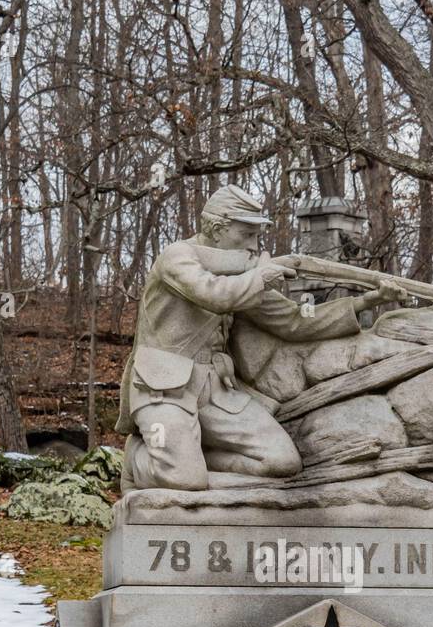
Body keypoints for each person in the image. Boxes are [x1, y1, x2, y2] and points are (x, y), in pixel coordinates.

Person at [117, 184, 405, 491]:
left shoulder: (245, 277)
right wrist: (261, 276)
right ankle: (144, 460)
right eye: (247, 234)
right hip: (164, 387)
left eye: (257, 236)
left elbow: (295, 320)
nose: (255, 246)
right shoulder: (177, 257)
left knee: (281, 462)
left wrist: (365, 301)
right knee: (183, 479)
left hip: (216, 390)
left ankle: (191, 464)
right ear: (216, 229)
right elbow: (212, 295)